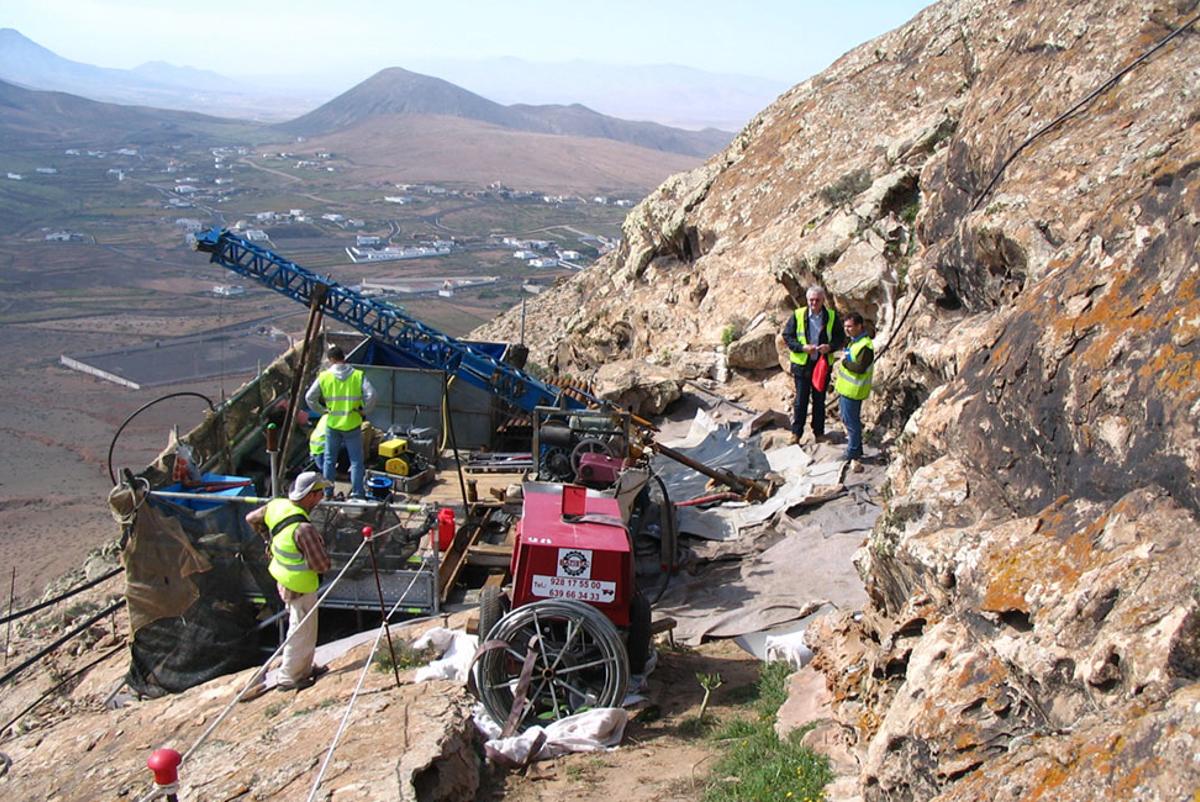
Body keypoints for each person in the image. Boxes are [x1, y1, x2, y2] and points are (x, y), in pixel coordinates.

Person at [245, 471, 333, 691]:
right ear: (309, 495)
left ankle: (304, 668)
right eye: (319, 492)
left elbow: (251, 518)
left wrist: (269, 539)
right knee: (300, 629)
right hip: (300, 584)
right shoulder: (303, 529)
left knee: (304, 627)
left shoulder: (277, 506)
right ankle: (289, 677)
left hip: (282, 576)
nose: (322, 497)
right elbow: (320, 565)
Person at [305, 345, 376, 499]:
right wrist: (363, 411)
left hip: (333, 424)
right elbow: (371, 395)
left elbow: (309, 397)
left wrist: (322, 410)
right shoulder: (357, 375)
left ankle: (328, 493)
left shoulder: (324, 376)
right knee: (356, 461)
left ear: (331, 360)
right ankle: (358, 494)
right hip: (352, 423)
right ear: (344, 357)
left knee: (329, 461)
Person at [781, 286, 844, 444]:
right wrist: (802, 348)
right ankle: (796, 434)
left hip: (821, 365)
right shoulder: (798, 315)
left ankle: (819, 433)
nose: (814, 303)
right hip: (803, 365)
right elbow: (787, 336)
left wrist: (830, 347)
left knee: (819, 400)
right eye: (811, 300)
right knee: (801, 401)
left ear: (823, 300)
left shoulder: (831, 316)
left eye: (817, 300)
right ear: (807, 300)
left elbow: (839, 337)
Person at [835, 312, 874, 461]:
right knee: (847, 419)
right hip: (847, 389)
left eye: (850, 326)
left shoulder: (865, 346)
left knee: (851, 422)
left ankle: (853, 452)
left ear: (859, 326)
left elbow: (860, 368)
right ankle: (856, 448)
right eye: (845, 326)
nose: (847, 329)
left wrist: (844, 361)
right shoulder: (854, 342)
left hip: (854, 390)